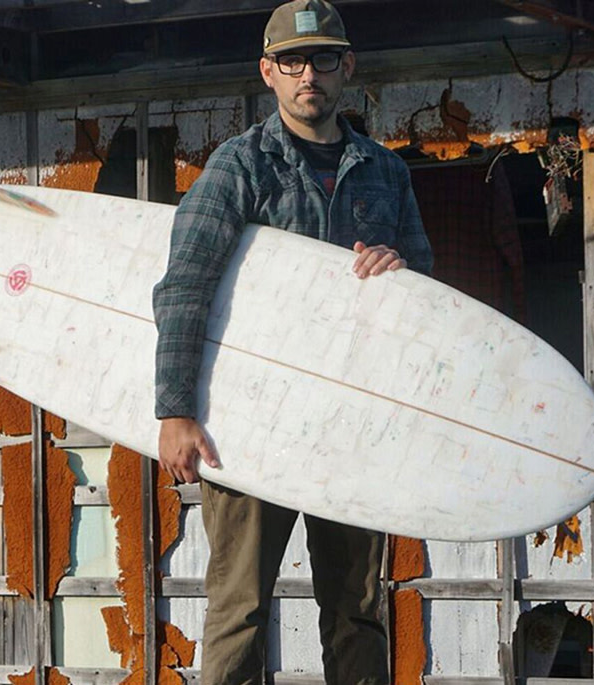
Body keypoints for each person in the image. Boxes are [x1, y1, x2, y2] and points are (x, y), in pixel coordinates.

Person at [151, 1, 434, 684]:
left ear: (347, 68)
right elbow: (184, 286)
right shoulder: (240, 166)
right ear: (268, 72)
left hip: (352, 425)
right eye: (293, 61)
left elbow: (427, 295)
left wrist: (400, 271)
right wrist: (175, 409)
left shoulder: (384, 172)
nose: (310, 73)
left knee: (358, 610)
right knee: (240, 607)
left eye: (324, 59)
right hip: (250, 422)